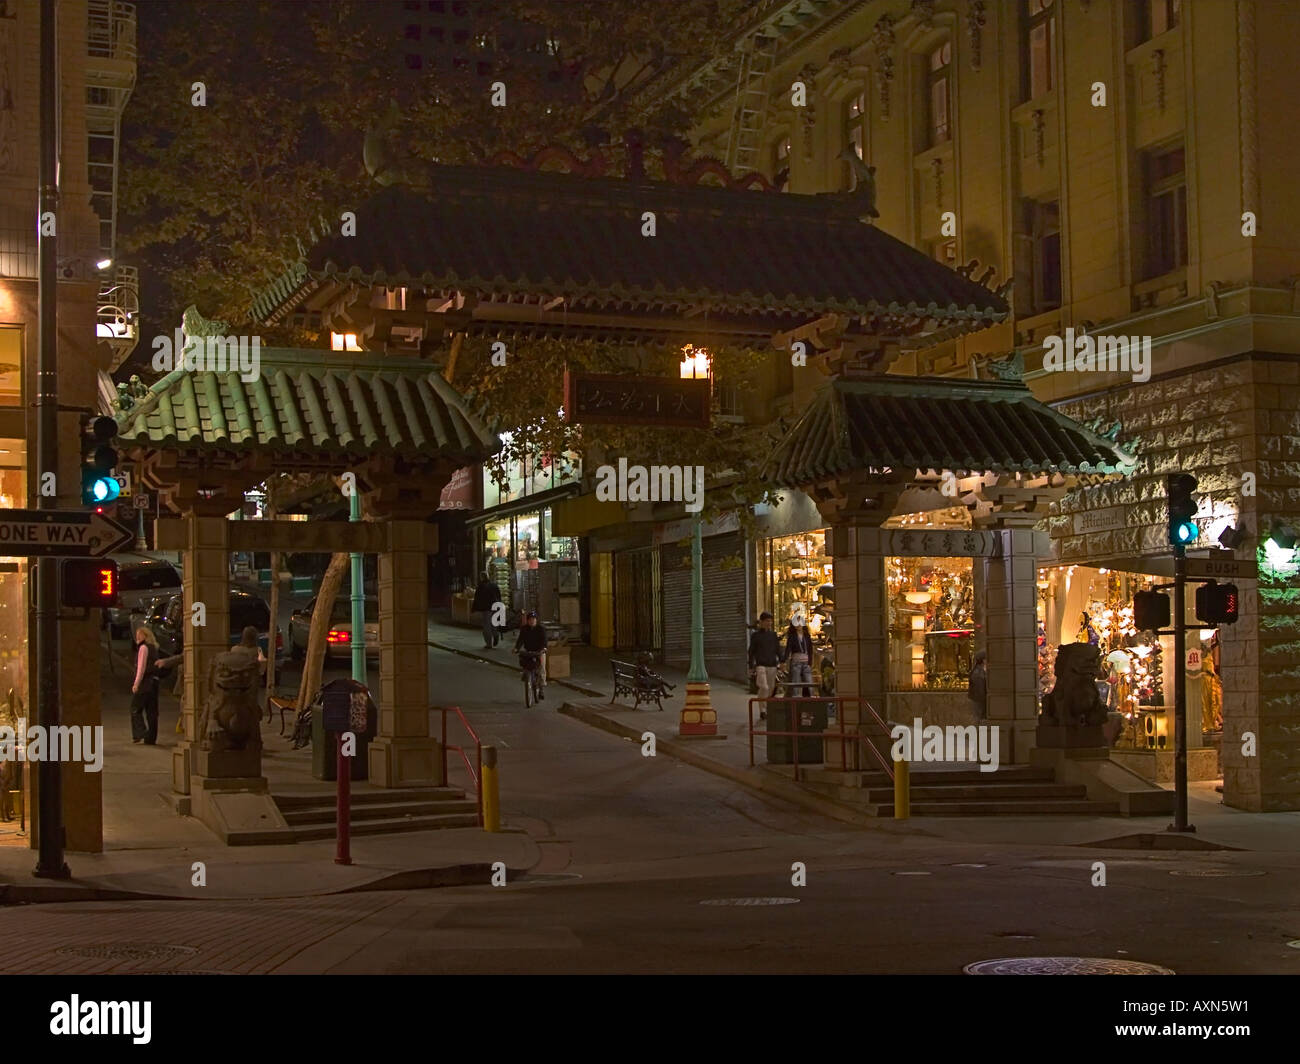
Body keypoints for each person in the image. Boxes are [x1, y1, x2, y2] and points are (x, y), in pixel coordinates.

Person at [130, 626, 162, 744]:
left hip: (145, 683)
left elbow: (141, 668)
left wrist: (136, 684)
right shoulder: (154, 647)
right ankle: (151, 738)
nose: (137, 637)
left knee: (135, 708)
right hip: (154, 683)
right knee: (152, 711)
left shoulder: (143, 648)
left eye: (140, 634)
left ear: (146, 636)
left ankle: (140, 733)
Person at [748, 612, 781, 718]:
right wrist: (750, 666)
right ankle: (763, 710)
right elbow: (751, 651)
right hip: (760, 665)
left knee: (771, 688)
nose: (769, 623)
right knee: (764, 687)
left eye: (770, 621)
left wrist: (782, 660)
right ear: (761, 622)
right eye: (767, 621)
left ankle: (766, 708)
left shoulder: (773, 635)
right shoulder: (756, 636)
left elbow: (778, 649)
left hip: (772, 665)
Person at [514, 610, 549, 700]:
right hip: (529, 651)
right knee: (525, 664)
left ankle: (541, 688)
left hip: (539, 651)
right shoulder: (524, 629)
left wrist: (543, 648)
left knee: (542, 669)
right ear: (527, 620)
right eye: (530, 619)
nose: (532, 621)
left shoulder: (541, 628)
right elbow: (520, 640)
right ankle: (527, 677)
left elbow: (544, 640)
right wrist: (516, 648)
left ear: (536, 620)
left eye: (533, 619)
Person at [784, 617, 814, 698]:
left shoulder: (807, 635)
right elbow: (788, 649)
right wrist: (784, 661)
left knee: (809, 682)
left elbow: (810, 650)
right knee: (796, 683)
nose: (799, 625)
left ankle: (810, 699)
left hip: (806, 661)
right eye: (796, 623)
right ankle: (795, 700)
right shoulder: (792, 636)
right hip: (796, 662)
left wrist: (810, 662)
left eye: (800, 622)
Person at [472, 571, 502, 649]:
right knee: (494, 623)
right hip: (495, 607)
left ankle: (489, 644)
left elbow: (477, 598)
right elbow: (499, 596)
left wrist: (474, 609)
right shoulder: (494, 585)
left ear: (482, 577)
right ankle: (496, 634)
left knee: (487, 626)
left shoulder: (481, 587)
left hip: (486, 609)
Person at [967, 649, 988, 722]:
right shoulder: (978, 673)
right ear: (983, 660)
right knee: (979, 721)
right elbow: (980, 691)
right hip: (979, 702)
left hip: (979, 701)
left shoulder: (979, 671)